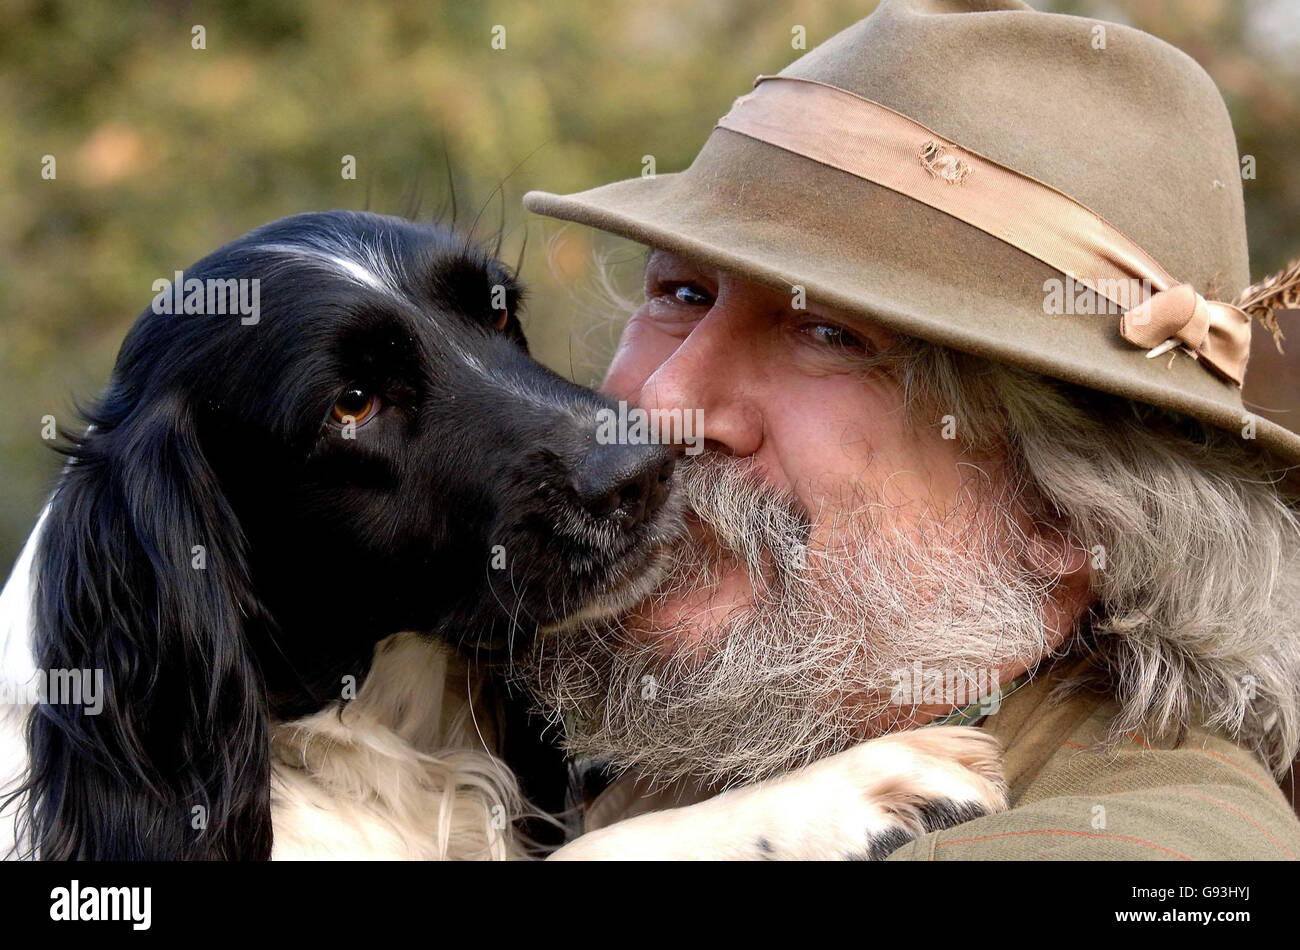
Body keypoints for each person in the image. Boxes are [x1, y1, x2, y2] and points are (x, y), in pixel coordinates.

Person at [518, 0, 1300, 859]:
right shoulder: (600, 743)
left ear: (1067, 517)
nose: (660, 406)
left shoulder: (1146, 855)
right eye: (682, 294)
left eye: (831, 336)